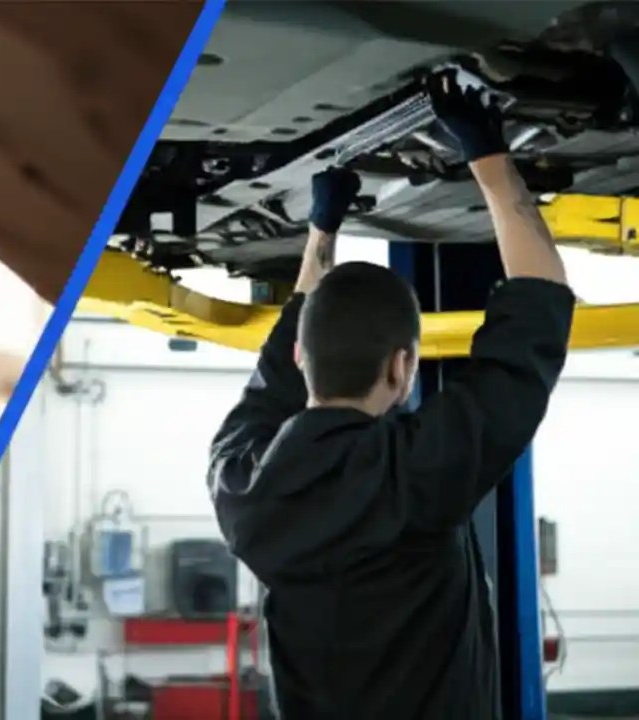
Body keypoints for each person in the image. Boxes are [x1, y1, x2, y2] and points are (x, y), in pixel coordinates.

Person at [207, 69, 575, 720]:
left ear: (305, 358)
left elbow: (537, 312)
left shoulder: (241, 485)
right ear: (403, 368)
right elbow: (538, 304)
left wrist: (322, 230)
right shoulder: (411, 474)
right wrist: (486, 157)